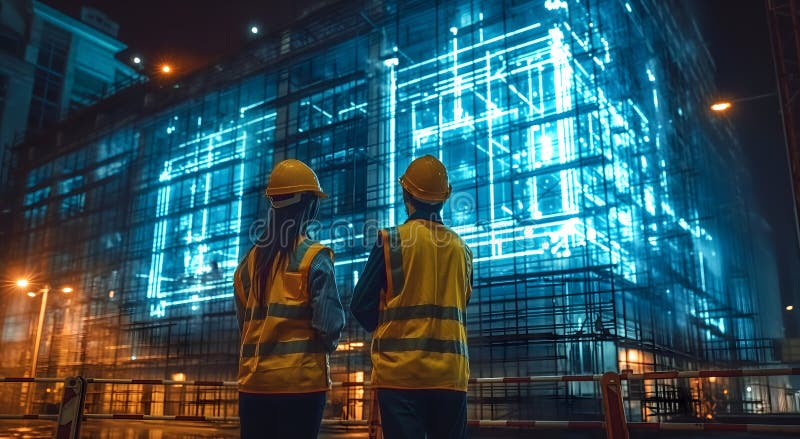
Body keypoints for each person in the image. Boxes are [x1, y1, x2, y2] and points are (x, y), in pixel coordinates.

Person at [351, 155, 473, 439]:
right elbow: (459, 304)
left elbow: (360, 305)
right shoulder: (462, 249)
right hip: (450, 376)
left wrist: (387, 325)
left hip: (400, 375)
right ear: (443, 199)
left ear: (407, 194)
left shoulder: (391, 241)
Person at [234, 159, 345, 439]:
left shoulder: (248, 263)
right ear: (309, 204)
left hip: (254, 385)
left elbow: (244, 326)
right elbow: (329, 326)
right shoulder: (314, 258)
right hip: (300, 386)